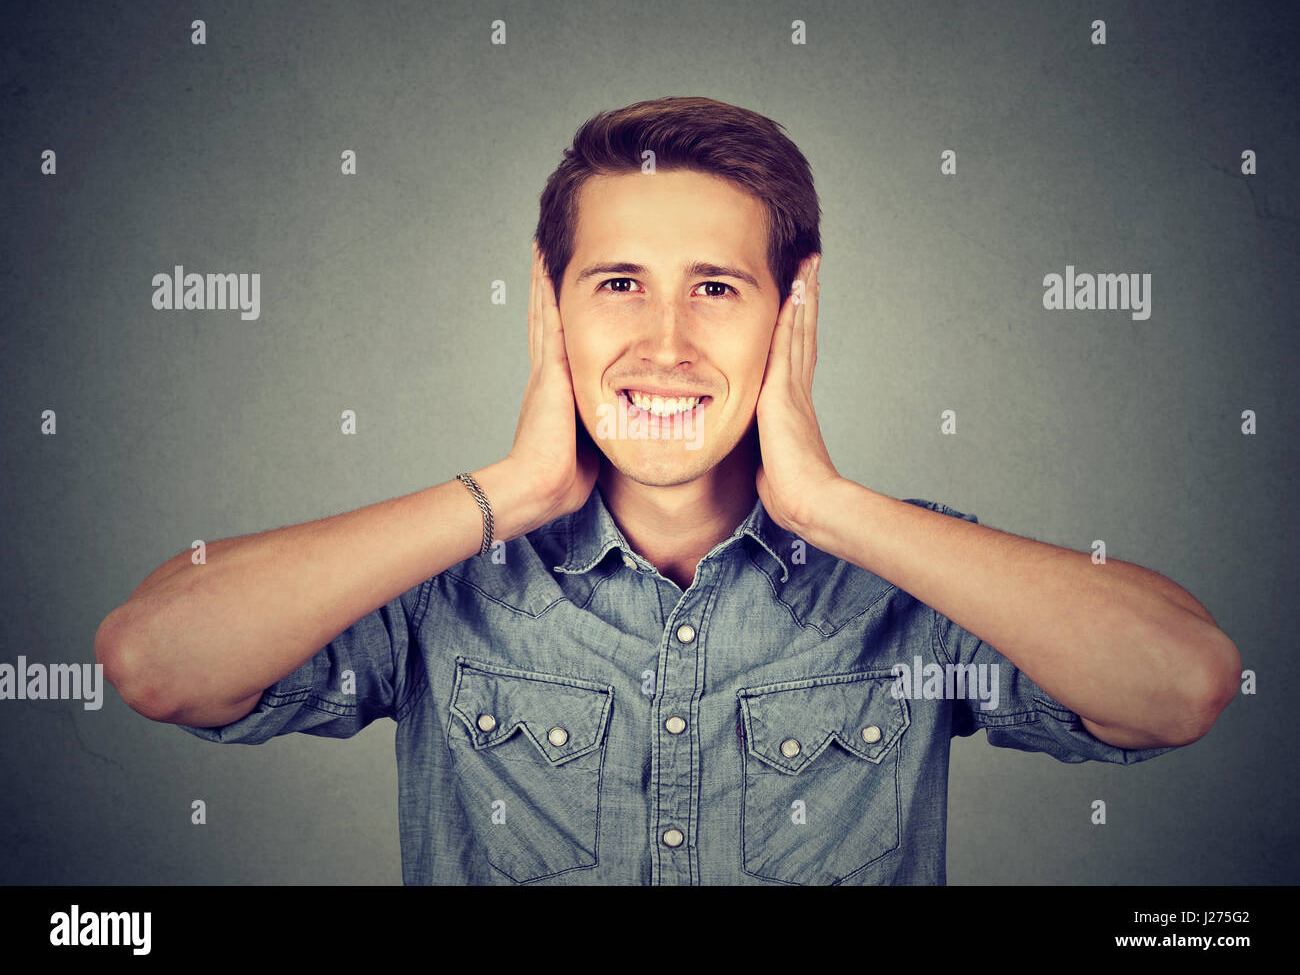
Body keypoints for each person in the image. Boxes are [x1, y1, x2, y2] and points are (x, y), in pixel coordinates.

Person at [94, 96, 1241, 885]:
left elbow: (1182, 685)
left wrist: (828, 508)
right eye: (618, 283)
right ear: (550, 303)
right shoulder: (445, 588)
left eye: (715, 288)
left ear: (794, 308)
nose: (664, 340)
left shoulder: (904, 587)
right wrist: (509, 490)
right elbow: (155, 660)